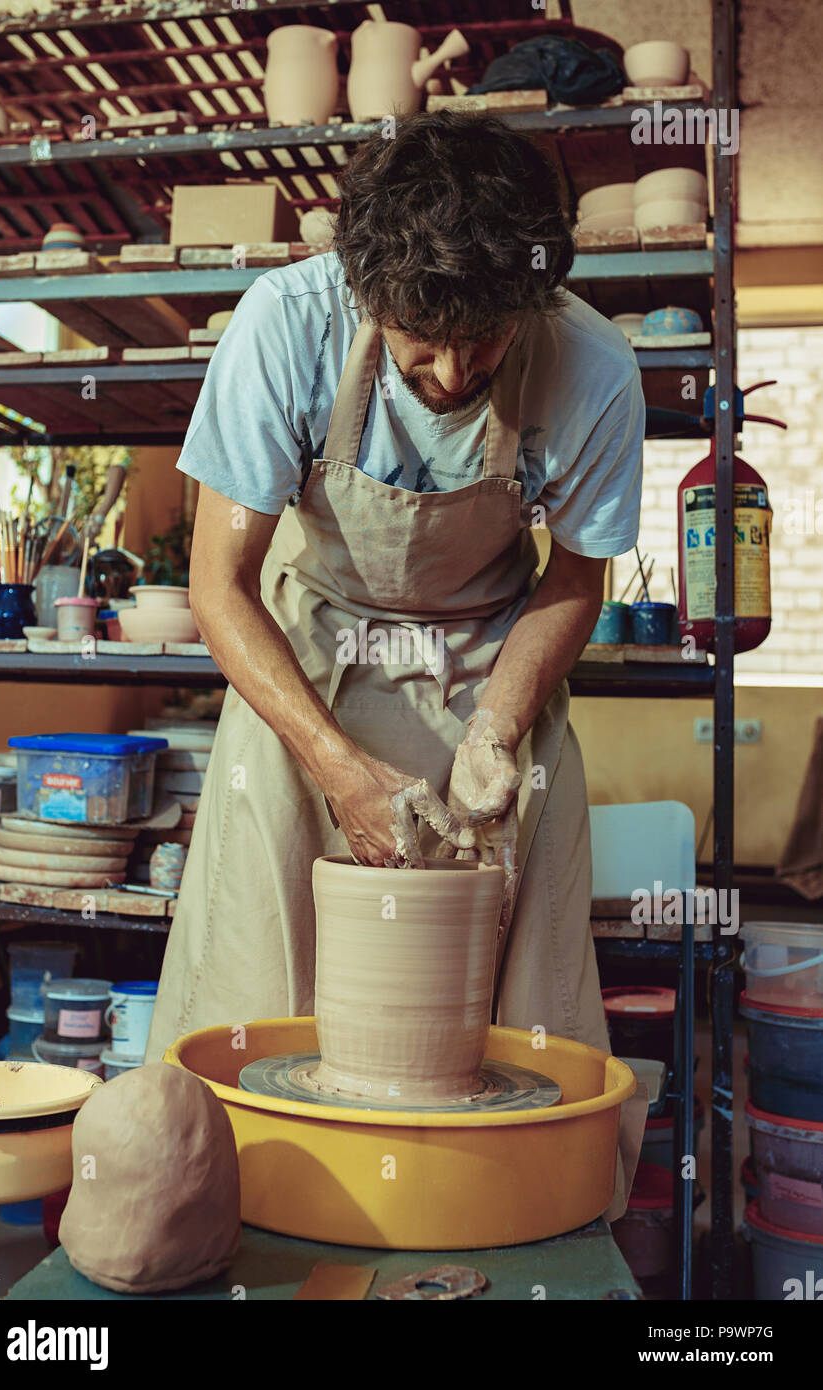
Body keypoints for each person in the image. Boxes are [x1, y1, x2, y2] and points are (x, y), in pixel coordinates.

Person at [146, 112, 645, 1159]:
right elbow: (218, 584)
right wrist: (335, 768)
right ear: (366, 294)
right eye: (426, 346)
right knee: (254, 977)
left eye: (488, 341)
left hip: (488, 663)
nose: (458, 375)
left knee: (521, 1010)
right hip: (306, 666)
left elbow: (575, 578)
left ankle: (501, 1213)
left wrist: (498, 729)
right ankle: (244, 1204)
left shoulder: (592, 364)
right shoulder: (284, 325)